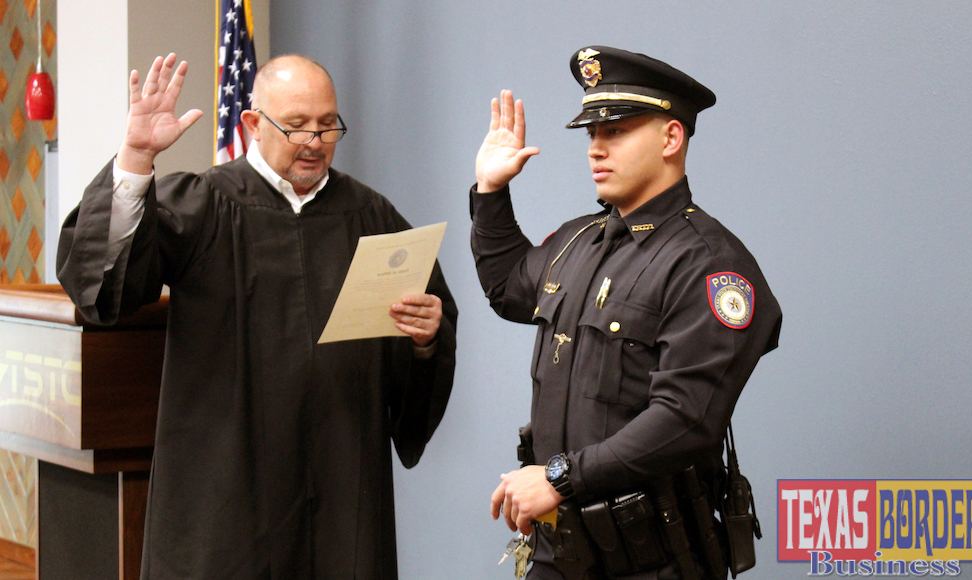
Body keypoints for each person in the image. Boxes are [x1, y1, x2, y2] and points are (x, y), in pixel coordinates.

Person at [57, 53, 457, 579]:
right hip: (224, 497)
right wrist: (134, 157)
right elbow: (107, 285)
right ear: (252, 124)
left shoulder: (370, 215)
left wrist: (426, 338)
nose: (315, 141)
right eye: (295, 126)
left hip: (340, 492)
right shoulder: (205, 205)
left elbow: (425, 329)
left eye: (327, 125)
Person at [471, 46, 782, 579]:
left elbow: (685, 420)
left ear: (671, 138)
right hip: (557, 555)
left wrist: (558, 478)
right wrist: (491, 190)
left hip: (652, 561)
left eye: (615, 132)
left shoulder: (710, 265)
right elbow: (507, 287)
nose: (596, 148)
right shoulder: (578, 241)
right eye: (592, 134)